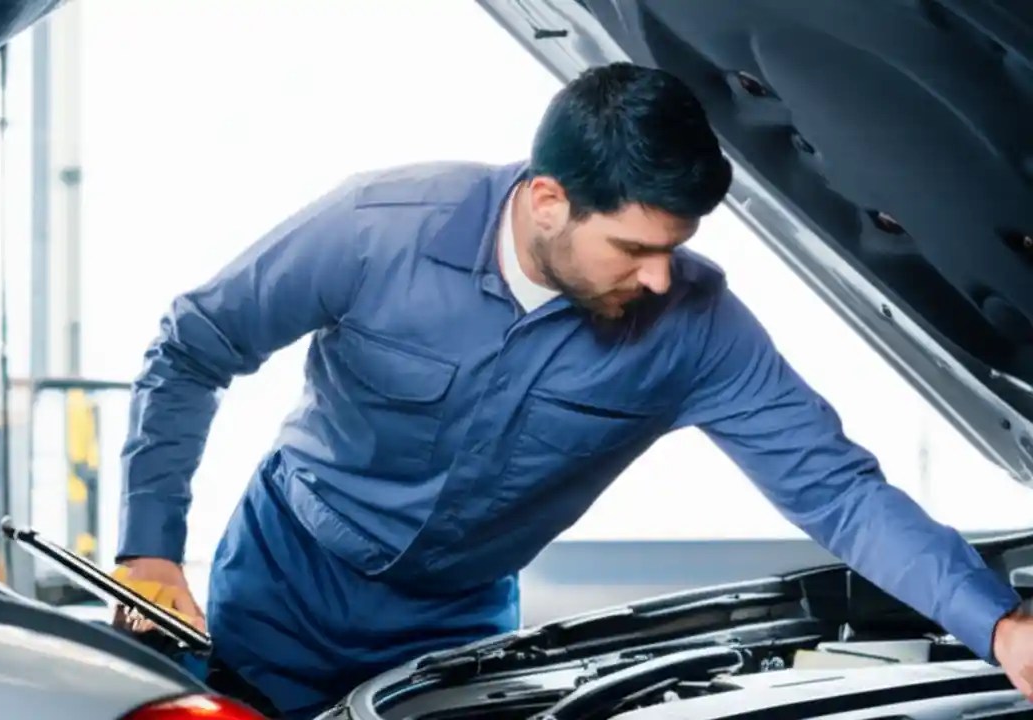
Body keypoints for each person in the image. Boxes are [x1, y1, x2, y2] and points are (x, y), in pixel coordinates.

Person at [113, 63, 1033, 718]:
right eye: (637, 249)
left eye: (673, 248)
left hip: (454, 632)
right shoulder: (376, 229)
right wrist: (151, 546)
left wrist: (998, 626)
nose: (663, 278)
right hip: (281, 586)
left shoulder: (698, 326)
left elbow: (838, 491)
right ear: (548, 201)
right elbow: (196, 346)